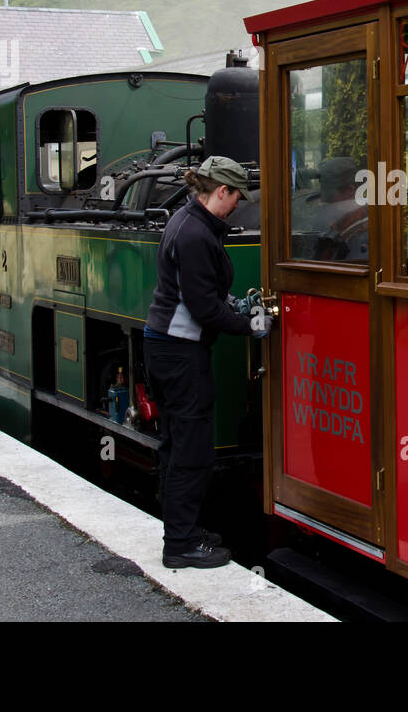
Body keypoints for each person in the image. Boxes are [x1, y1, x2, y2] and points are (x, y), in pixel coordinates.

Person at [143, 156, 273, 569]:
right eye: (236, 196)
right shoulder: (196, 234)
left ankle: (181, 530)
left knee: (175, 444)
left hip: (166, 347)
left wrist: (235, 306)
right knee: (193, 449)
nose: (238, 205)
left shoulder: (185, 221)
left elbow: (202, 297)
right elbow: (203, 308)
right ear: (221, 191)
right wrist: (251, 324)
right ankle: (180, 545)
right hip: (181, 352)